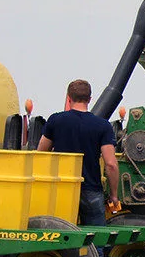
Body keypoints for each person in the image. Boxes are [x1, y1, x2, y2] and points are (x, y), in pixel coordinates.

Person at [37, 79, 120, 226]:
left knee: (60, 234)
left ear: (69, 98)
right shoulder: (102, 126)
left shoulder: (55, 120)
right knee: (95, 239)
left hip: (62, 188)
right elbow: (111, 164)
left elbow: (41, 154)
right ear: (89, 99)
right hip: (91, 189)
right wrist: (113, 195)